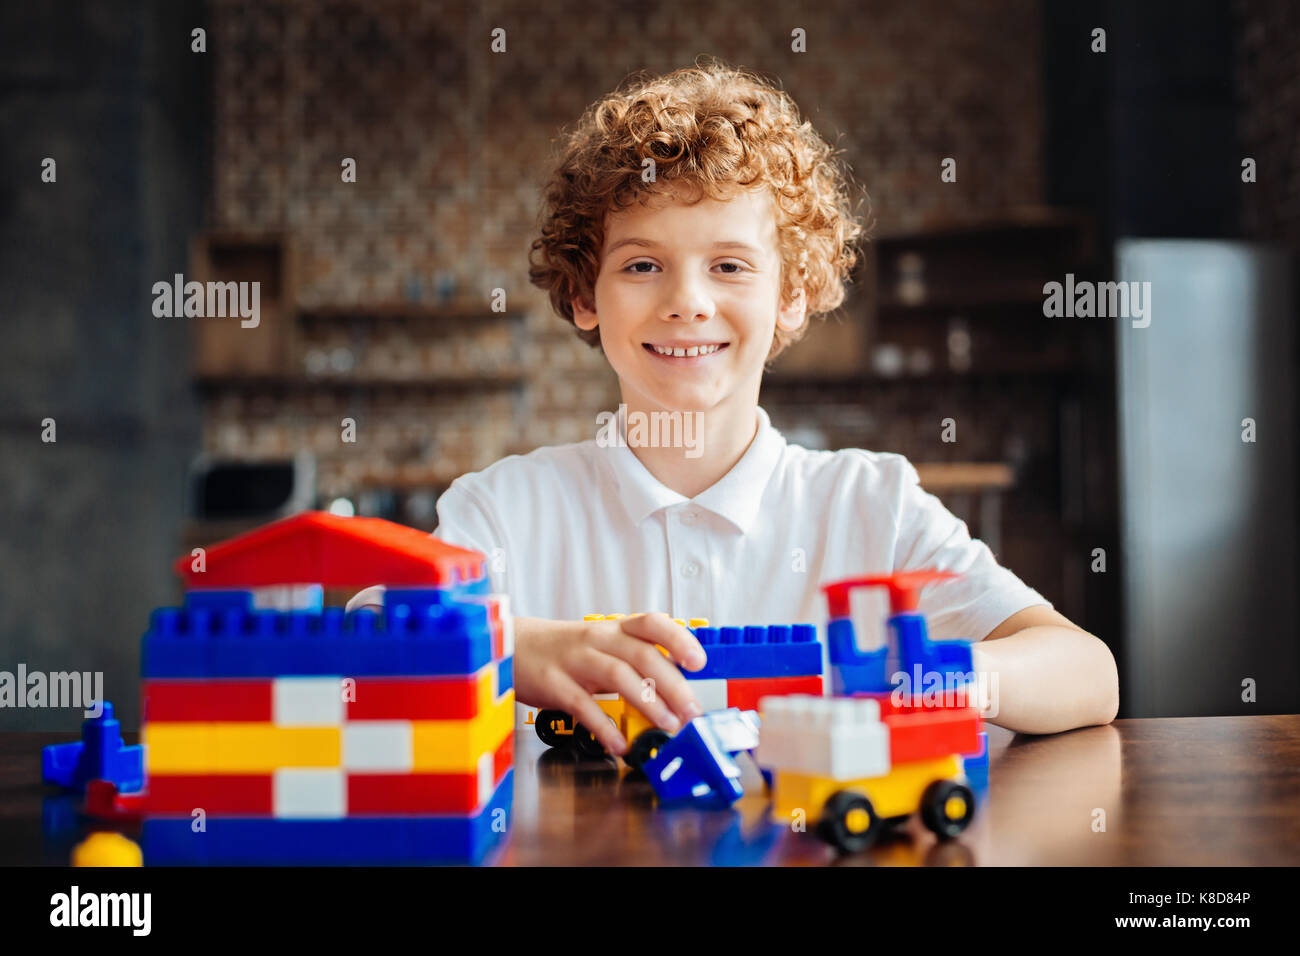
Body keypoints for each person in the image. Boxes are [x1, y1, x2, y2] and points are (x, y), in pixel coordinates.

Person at [350, 60, 1118, 752]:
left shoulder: (871, 505)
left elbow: (1088, 674)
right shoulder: (507, 510)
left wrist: (943, 678)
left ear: (792, 296)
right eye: (643, 265)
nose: (688, 302)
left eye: (728, 265)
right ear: (585, 295)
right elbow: (360, 642)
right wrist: (515, 647)